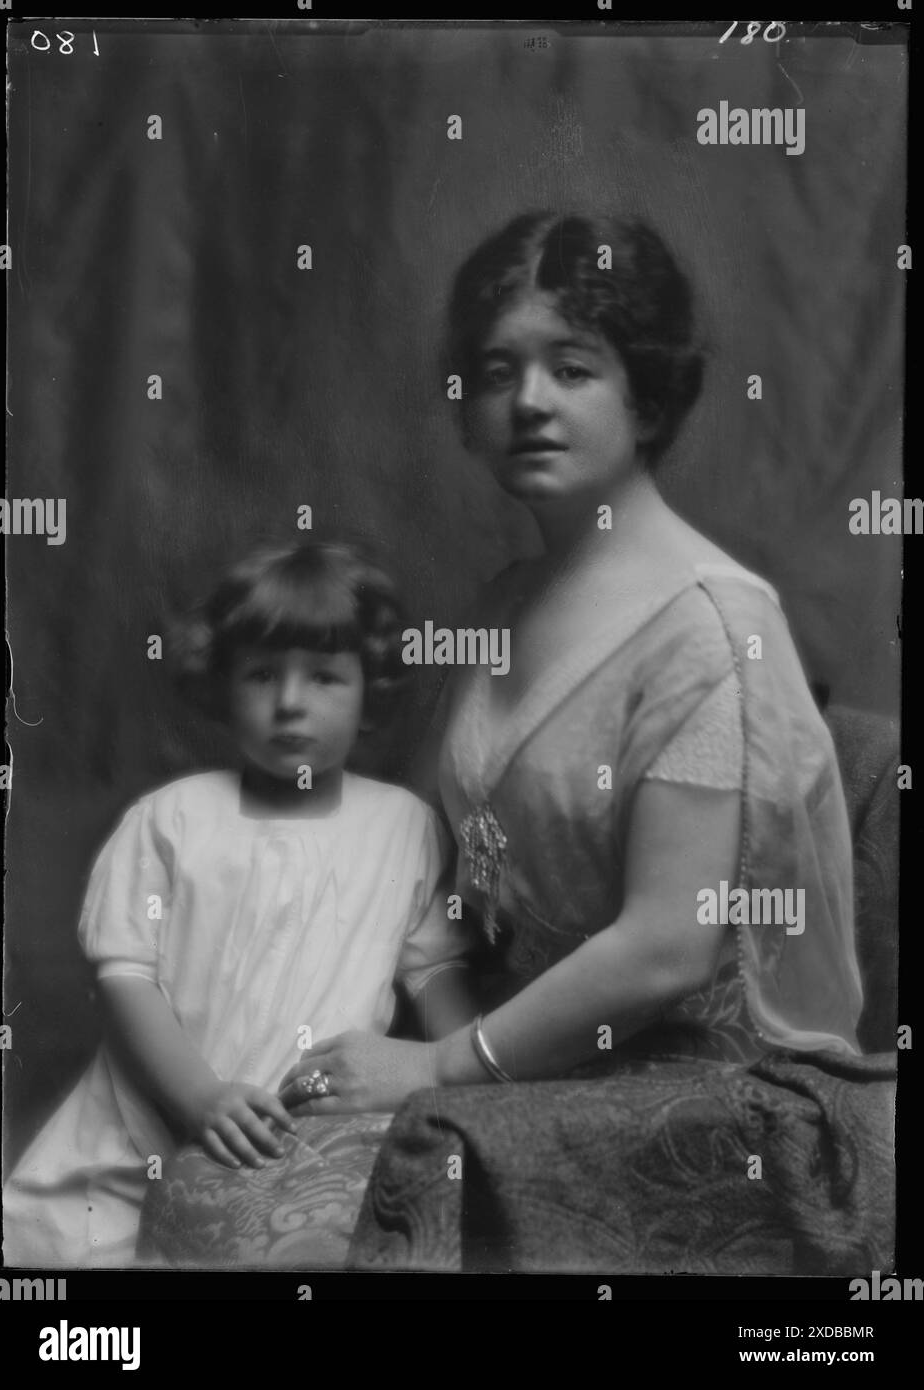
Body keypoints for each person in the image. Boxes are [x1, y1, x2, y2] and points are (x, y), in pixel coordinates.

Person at [277, 211, 864, 1123]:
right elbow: (445, 874)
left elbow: (667, 947)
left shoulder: (712, 627)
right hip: (509, 1050)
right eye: (497, 372)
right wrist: (431, 1039)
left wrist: (436, 1073)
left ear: (650, 401)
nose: (529, 402)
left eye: (573, 368)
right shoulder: (502, 603)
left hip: (691, 1092)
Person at [3, 539, 476, 1268]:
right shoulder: (173, 818)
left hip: (301, 1155)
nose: (290, 703)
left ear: (370, 689)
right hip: (145, 1138)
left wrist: (465, 1074)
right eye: (261, 675)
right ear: (223, 684)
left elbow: (433, 975)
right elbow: (125, 976)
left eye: (324, 677)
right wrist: (200, 1097)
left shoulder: (402, 826)